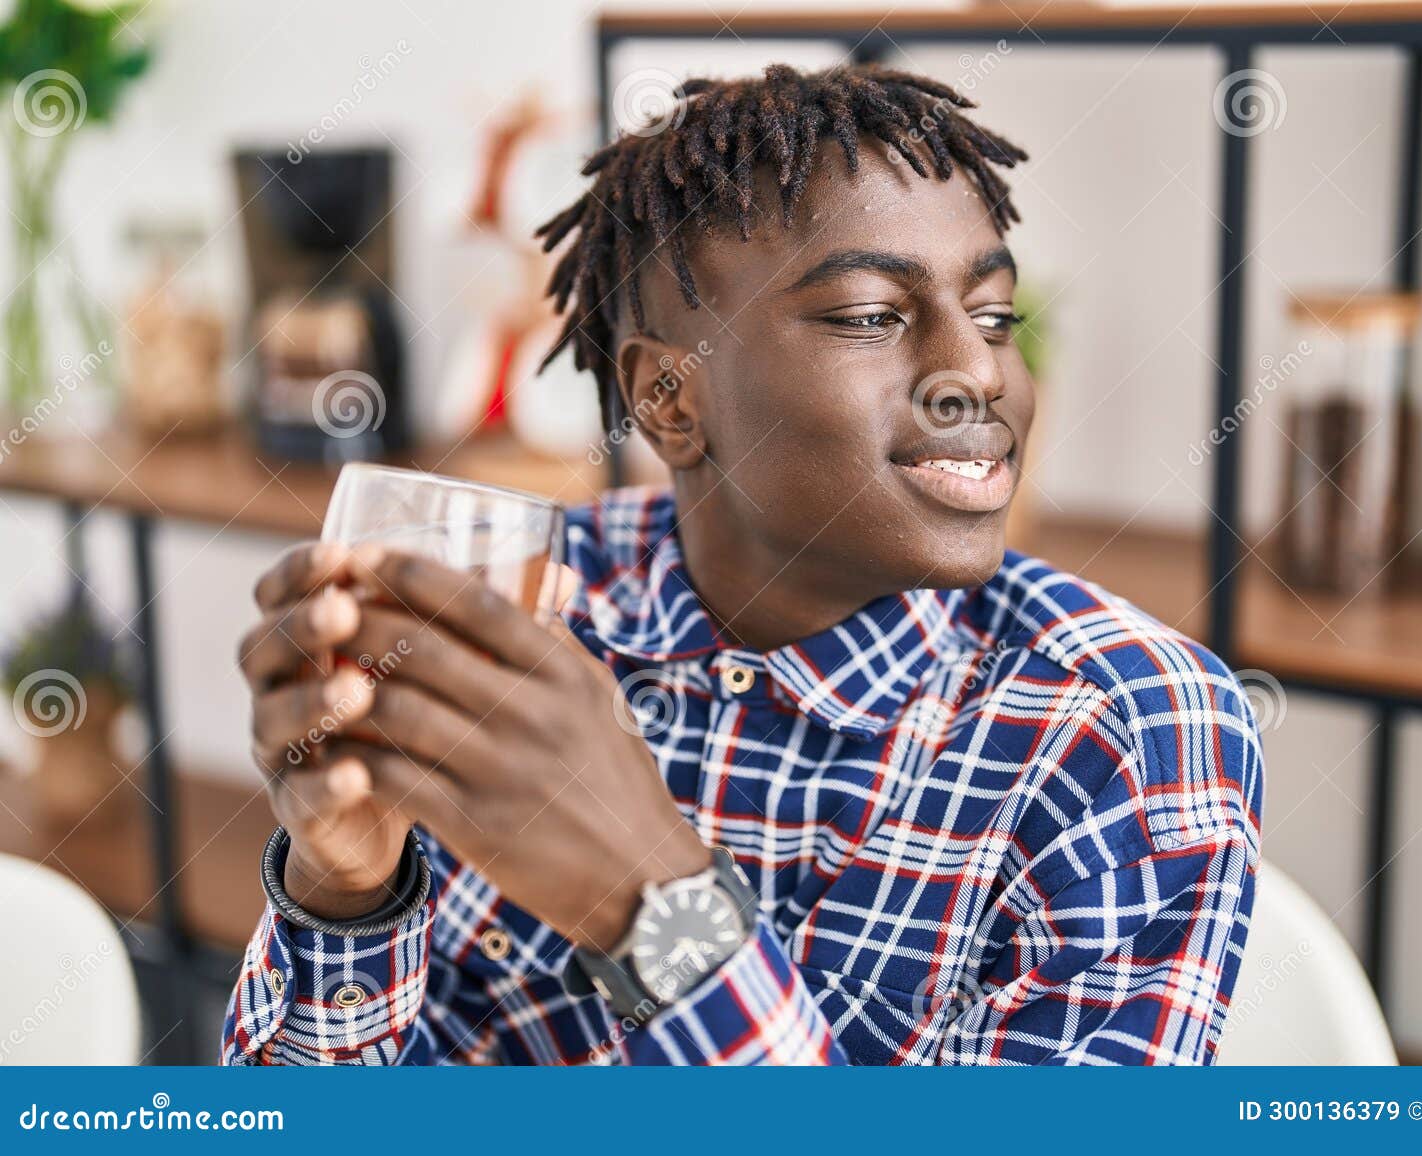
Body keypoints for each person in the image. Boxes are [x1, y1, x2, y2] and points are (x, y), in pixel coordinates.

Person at [222, 63, 1263, 1066]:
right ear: (671, 399)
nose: (976, 373)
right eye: (870, 316)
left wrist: (653, 904)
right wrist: (345, 888)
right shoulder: (522, 614)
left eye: (994, 317)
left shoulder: (1121, 726)